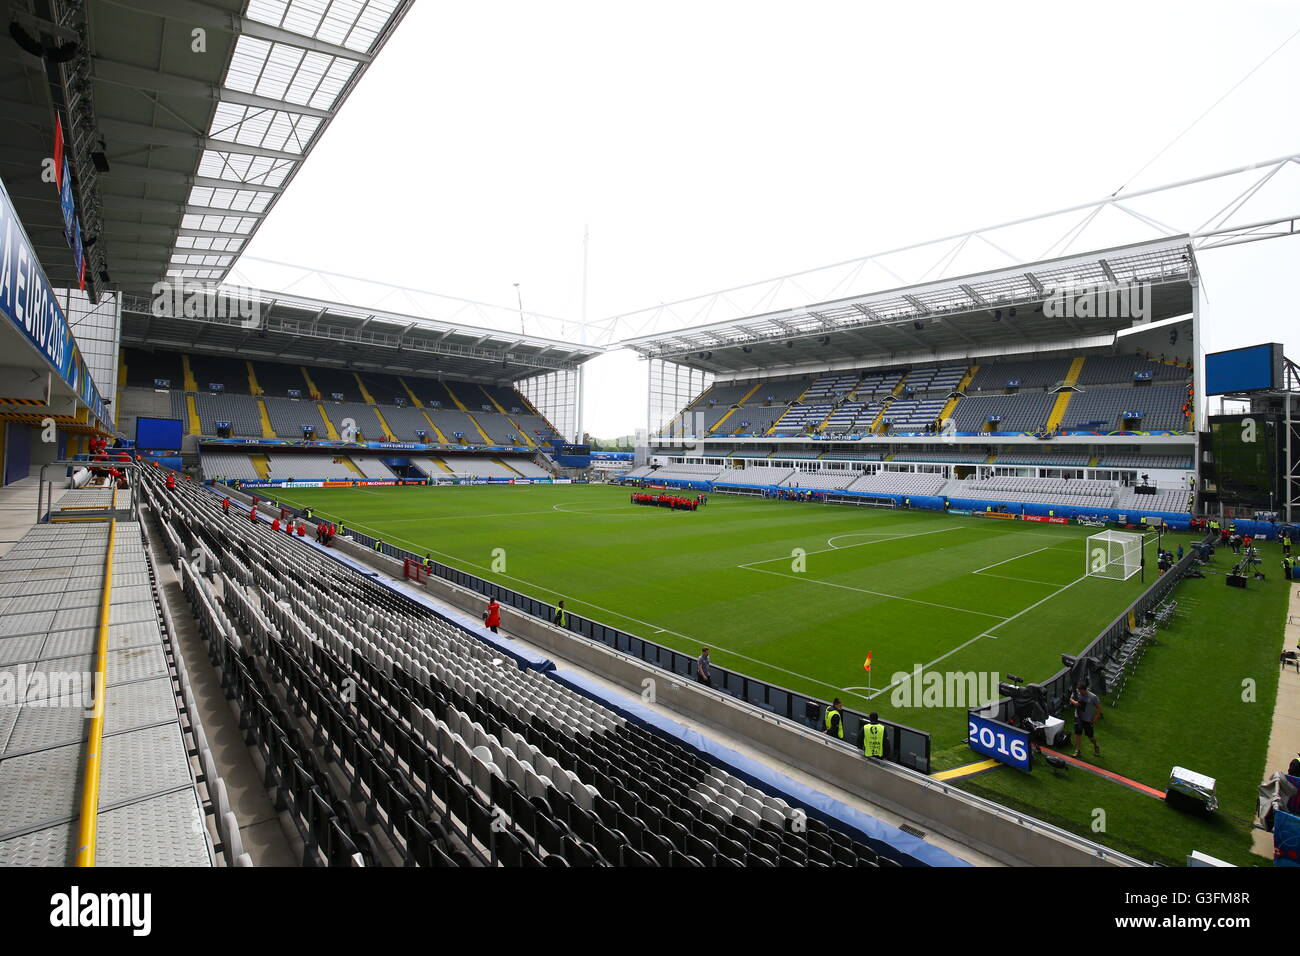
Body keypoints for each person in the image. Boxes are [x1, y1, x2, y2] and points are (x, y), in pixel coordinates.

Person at [1069, 680, 1102, 758]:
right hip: (1078, 717)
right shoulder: (1076, 693)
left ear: (1085, 689)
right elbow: (1071, 698)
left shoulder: (1093, 697)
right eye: (1079, 691)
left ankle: (1096, 746)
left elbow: (1099, 707)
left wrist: (1095, 717)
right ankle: (1077, 751)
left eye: (1081, 691)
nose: (1080, 693)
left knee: (1090, 736)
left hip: (1087, 719)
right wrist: (1073, 701)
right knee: (1078, 734)